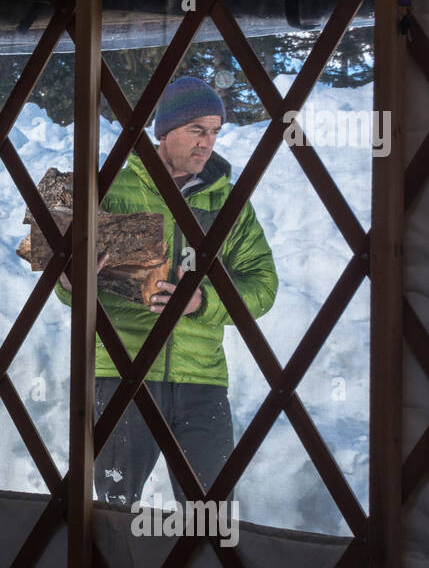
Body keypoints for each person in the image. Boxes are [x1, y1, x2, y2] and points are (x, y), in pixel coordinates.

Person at [55, 76, 278, 507]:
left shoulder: (227, 203)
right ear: (164, 132)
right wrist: (68, 282)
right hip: (122, 372)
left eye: (215, 132)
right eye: (197, 130)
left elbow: (263, 287)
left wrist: (203, 301)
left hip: (202, 380)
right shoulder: (107, 190)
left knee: (210, 513)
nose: (207, 143)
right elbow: (66, 284)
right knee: (113, 510)